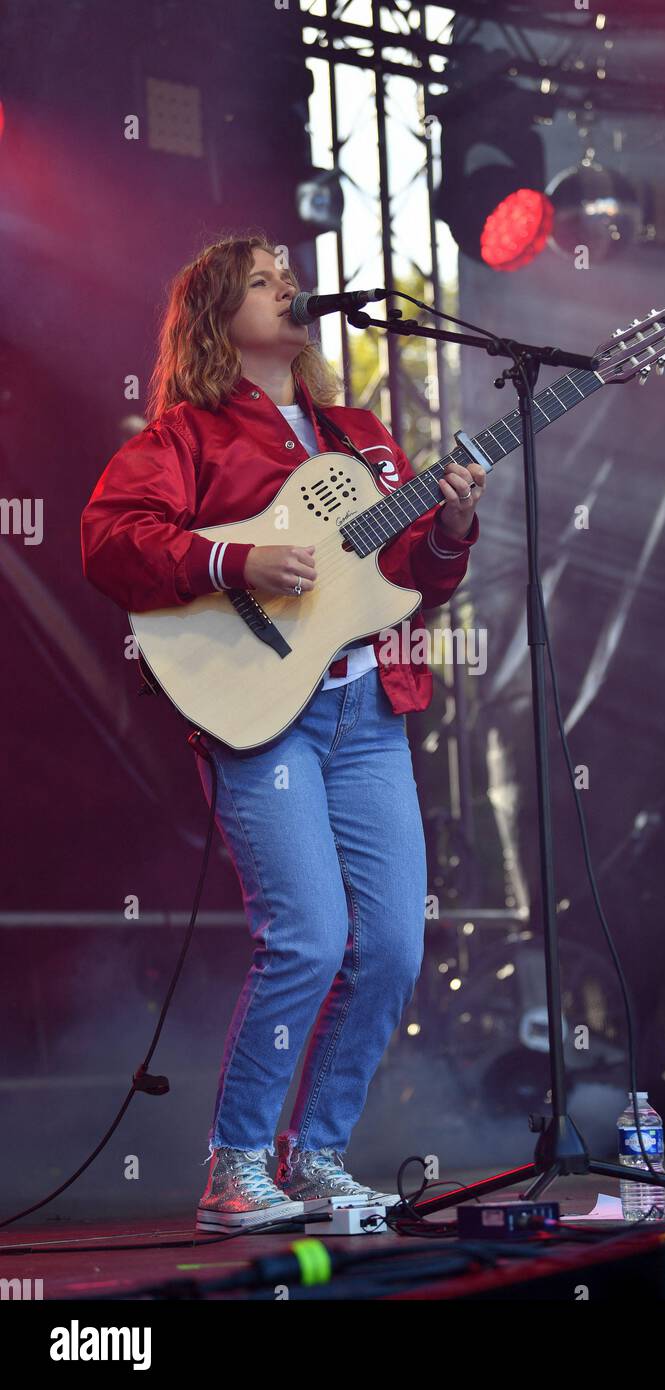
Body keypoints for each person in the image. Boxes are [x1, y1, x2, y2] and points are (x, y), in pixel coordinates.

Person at [80, 233, 485, 1231]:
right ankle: (234, 1165)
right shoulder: (187, 436)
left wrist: (448, 530)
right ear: (216, 317)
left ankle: (316, 1158)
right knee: (309, 936)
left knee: (389, 945)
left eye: (284, 277)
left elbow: (407, 584)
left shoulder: (361, 433)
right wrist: (235, 565)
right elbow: (107, 538)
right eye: (261, 282)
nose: (287, 289)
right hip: (267, 717)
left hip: (368, 709)